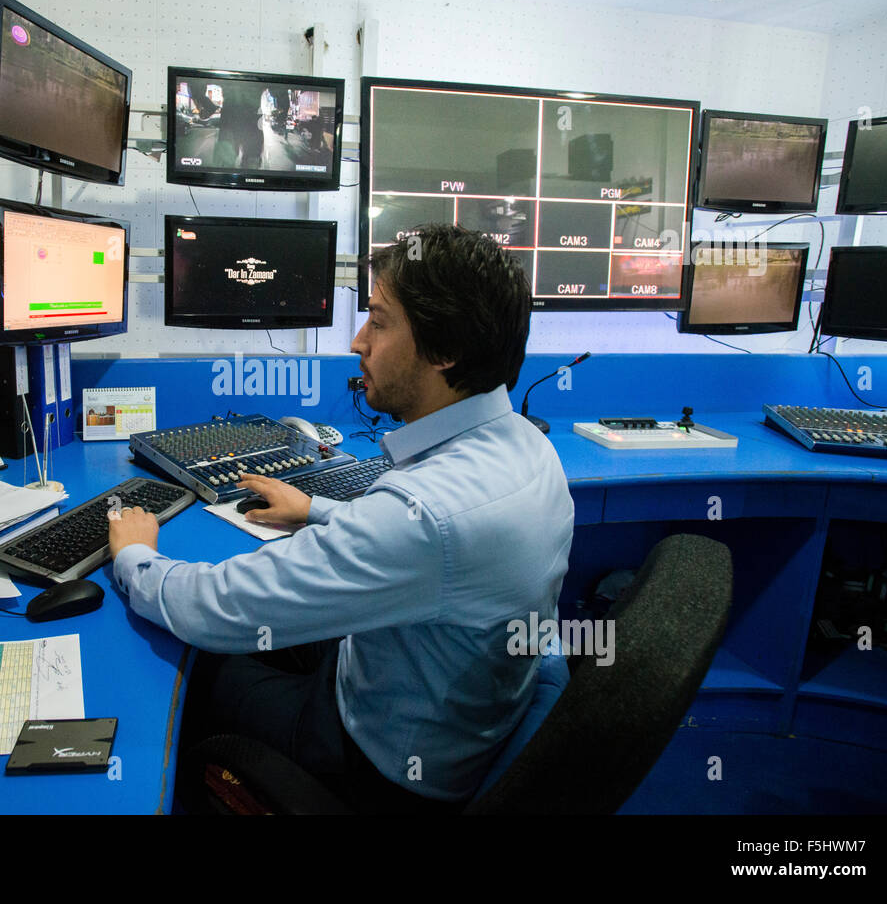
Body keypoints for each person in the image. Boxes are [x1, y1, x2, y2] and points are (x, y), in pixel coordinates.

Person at [107, 224, 574, 812]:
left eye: (379, 321)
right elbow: (434, 554)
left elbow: (218, 606)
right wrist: (317, 509)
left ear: (446, 349)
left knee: (196, 668)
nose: (358, 342)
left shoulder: (423, 516)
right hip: (444, 706)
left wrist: (135, 557)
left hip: (380, 766)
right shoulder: (529, 446)